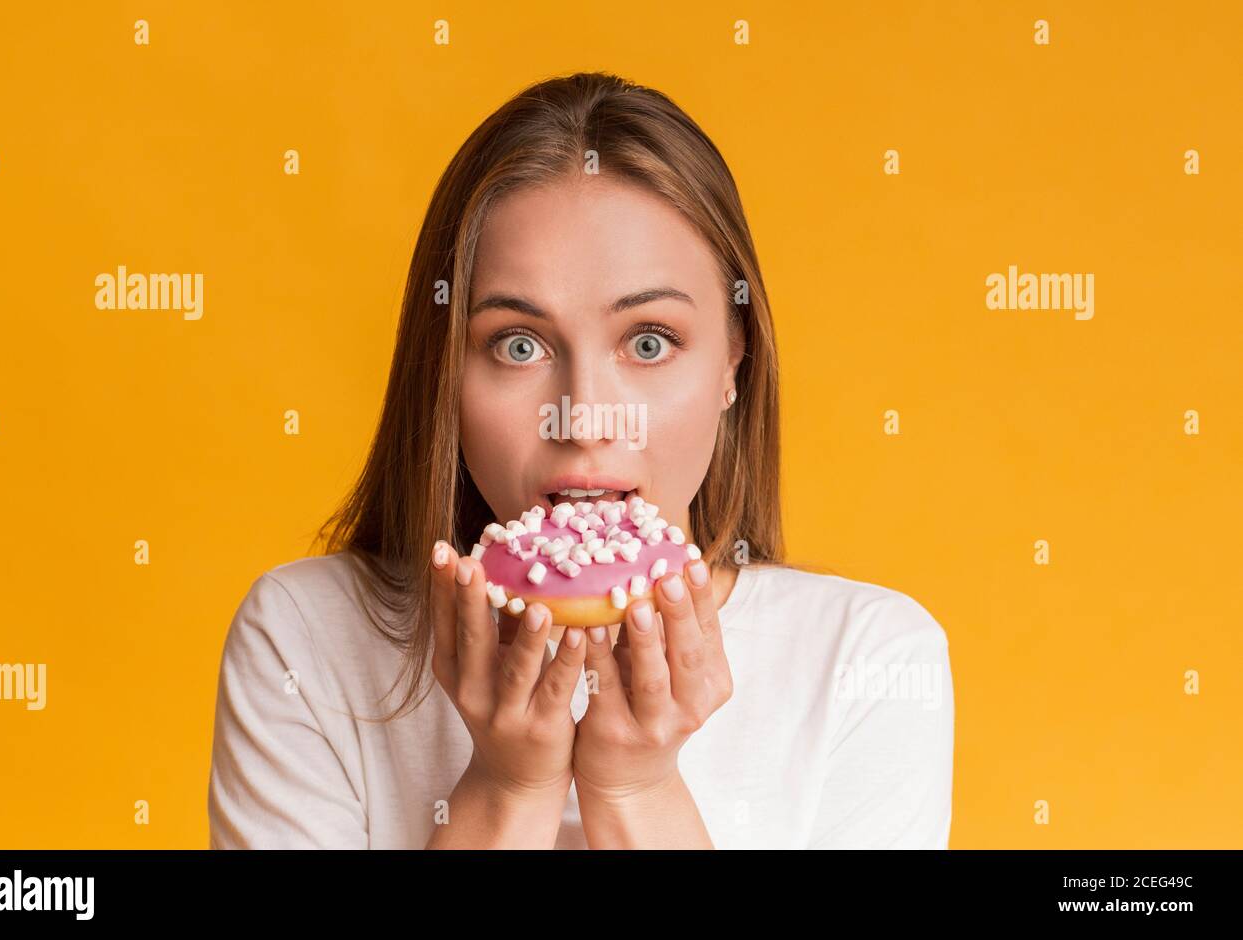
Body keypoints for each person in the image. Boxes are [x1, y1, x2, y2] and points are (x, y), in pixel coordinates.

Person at [207, 71, 953, 849]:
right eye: (519, 345)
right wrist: (507, 788)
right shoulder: (307, 639)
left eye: (649, 342)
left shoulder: (869, 662)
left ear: (734, 362)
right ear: (446, 374)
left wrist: (637, 787)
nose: (585, 415)